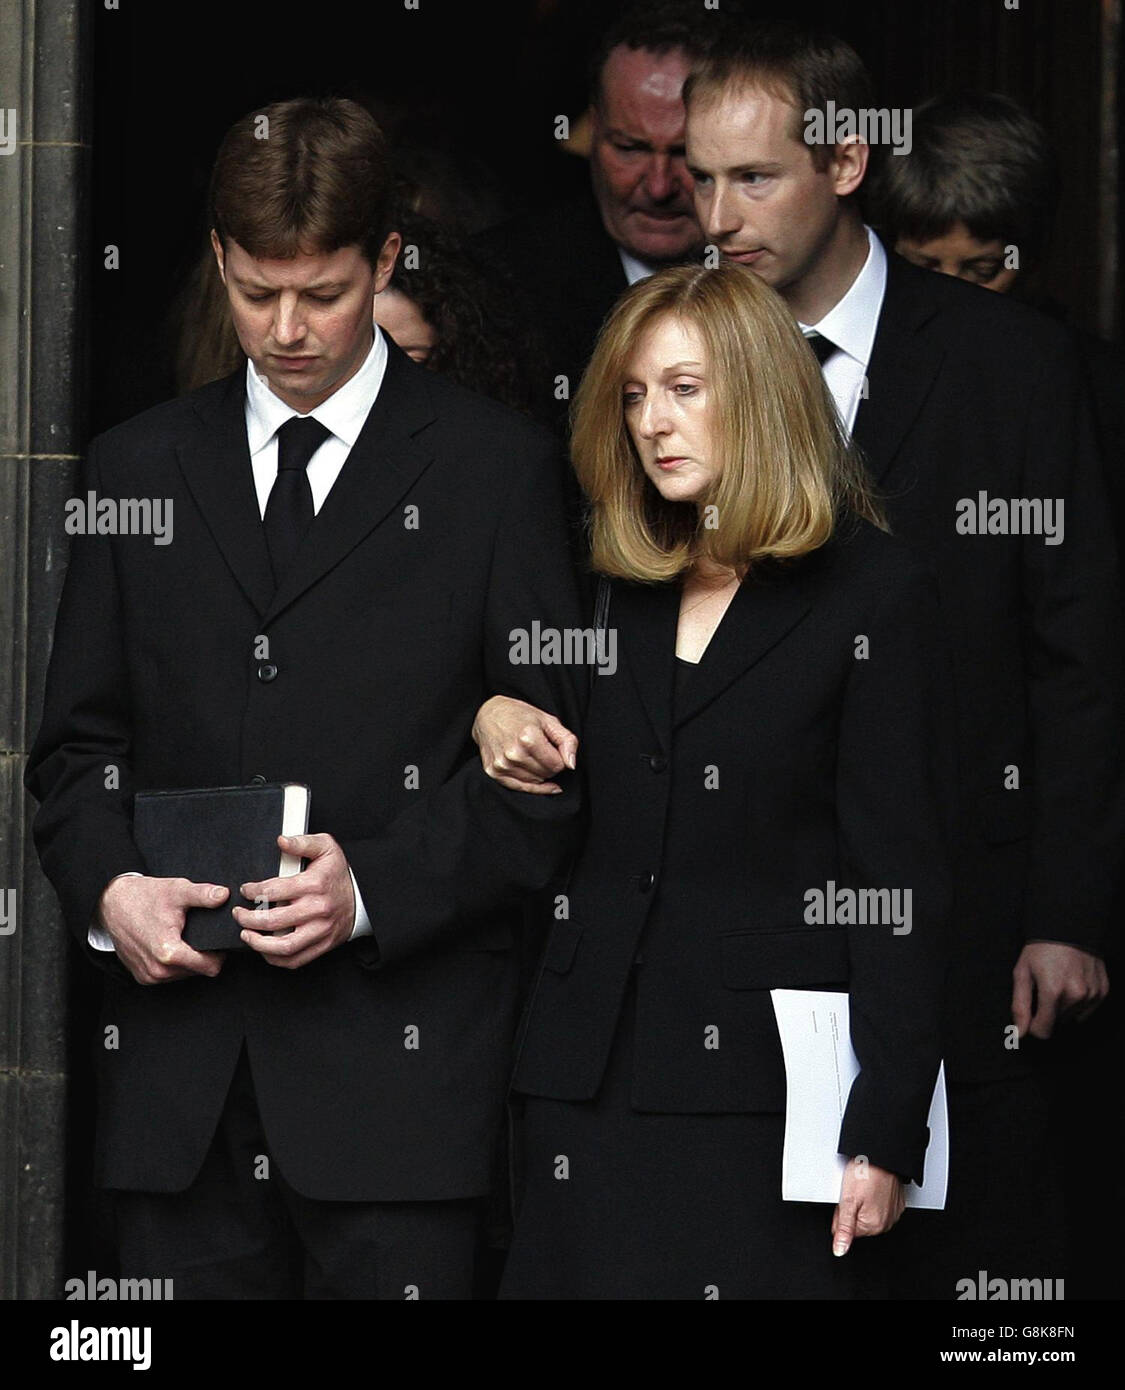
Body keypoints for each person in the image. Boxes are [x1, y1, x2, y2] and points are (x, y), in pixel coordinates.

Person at [25, 97, 584, 1300]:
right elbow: (74, 752)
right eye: (253, 291)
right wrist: (114, 888)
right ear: (218, 263)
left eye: (321, 294)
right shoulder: (138, 465)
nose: (285, 330)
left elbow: (546, 791)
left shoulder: (498, 470)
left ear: (386, 258)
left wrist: (373, 888)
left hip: (401, 1108)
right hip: (181, 1107)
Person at [679, 20, 1125, 1296]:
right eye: (702, 179)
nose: (718, 214)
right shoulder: (678, 353)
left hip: (970, 921)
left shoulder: (1014, 366)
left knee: (973, 1274)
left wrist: (1068, 915)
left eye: (754, 178)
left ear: (850, 162)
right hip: (743, 912)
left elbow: (1077, 655)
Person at [474, 261, 953, 1300]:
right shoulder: (605, 576)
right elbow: (535, 764)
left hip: (765, 1103)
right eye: (636, 394)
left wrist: (885, 1129)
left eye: (685, 388)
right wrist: (492, 708)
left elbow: (899, 881)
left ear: (761, 391)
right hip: (580, 1078)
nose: (653, 421)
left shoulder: (875, 594)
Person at [475, 0, 712, 425]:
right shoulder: (498, 283)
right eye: (629, 148)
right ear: (591, 132)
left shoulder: (784, 272)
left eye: (685, 153)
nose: (659, 186)